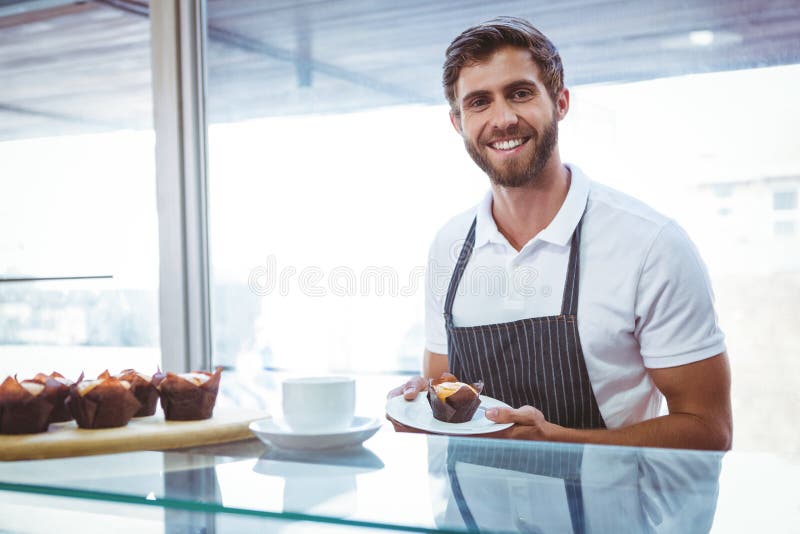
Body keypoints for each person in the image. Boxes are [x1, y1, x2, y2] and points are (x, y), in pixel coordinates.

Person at [387, 16, 732, 450]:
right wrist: (419, 408)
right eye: (479, 102)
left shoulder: (650, 244)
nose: (504, 118)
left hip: (605, 513)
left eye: (520, 93)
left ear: (561, 102)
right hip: (469, 514)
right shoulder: (450, 246)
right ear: (458, 123)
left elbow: (708, 429)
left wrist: (560, 442)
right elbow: (447, 391)